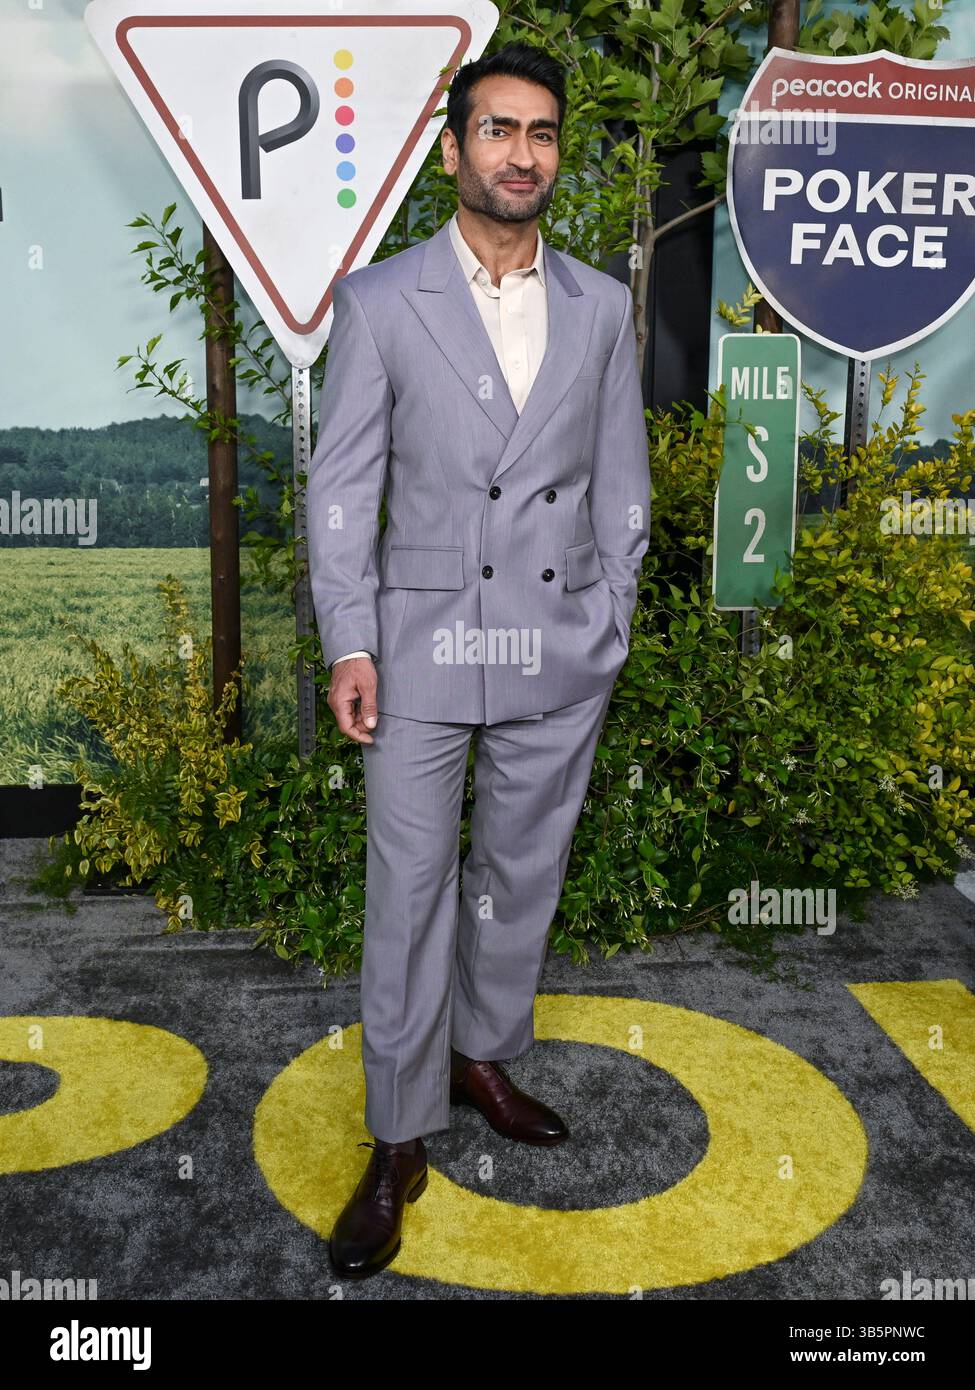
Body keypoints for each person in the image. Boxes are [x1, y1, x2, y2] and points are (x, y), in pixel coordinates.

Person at [306, 39, 651, 1281]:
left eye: (543, 134)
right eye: (498, 131)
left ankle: (482, 1054)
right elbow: (342, 490)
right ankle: (400, 1135)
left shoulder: (603, 308)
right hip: (420, 652)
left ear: (558, 155)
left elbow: (623, 484)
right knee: (408, 893)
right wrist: (351, 636)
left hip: (561, 647)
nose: (522, 153)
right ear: (454, 152)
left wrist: (608, 618)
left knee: (519, 873)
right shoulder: (382, 302)